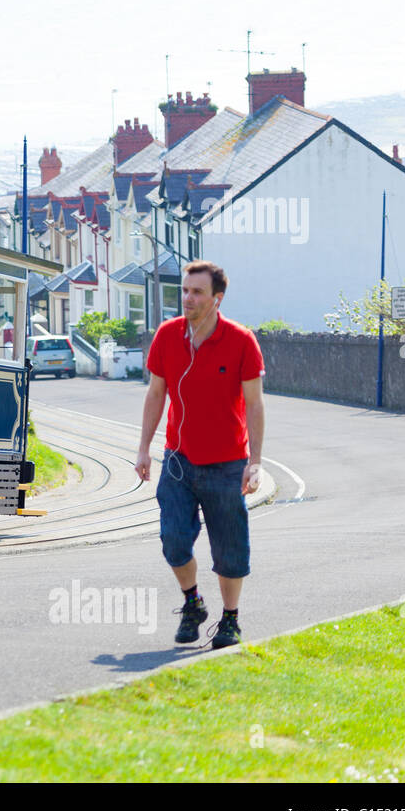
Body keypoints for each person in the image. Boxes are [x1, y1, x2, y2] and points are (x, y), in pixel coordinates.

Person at [134, 260, 265, 650]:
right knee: (173, 541)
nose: (188, 299)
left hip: (226, 464)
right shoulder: (167, 336)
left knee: (229, 547)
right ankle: (193, 602)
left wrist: (254, 461)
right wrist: (144, 448)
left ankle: (230, 620)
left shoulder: (241, 340)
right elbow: (156, 393)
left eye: (197, 293)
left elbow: (255, 405)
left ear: (216, 299)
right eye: (185, 291)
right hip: (178, 460)